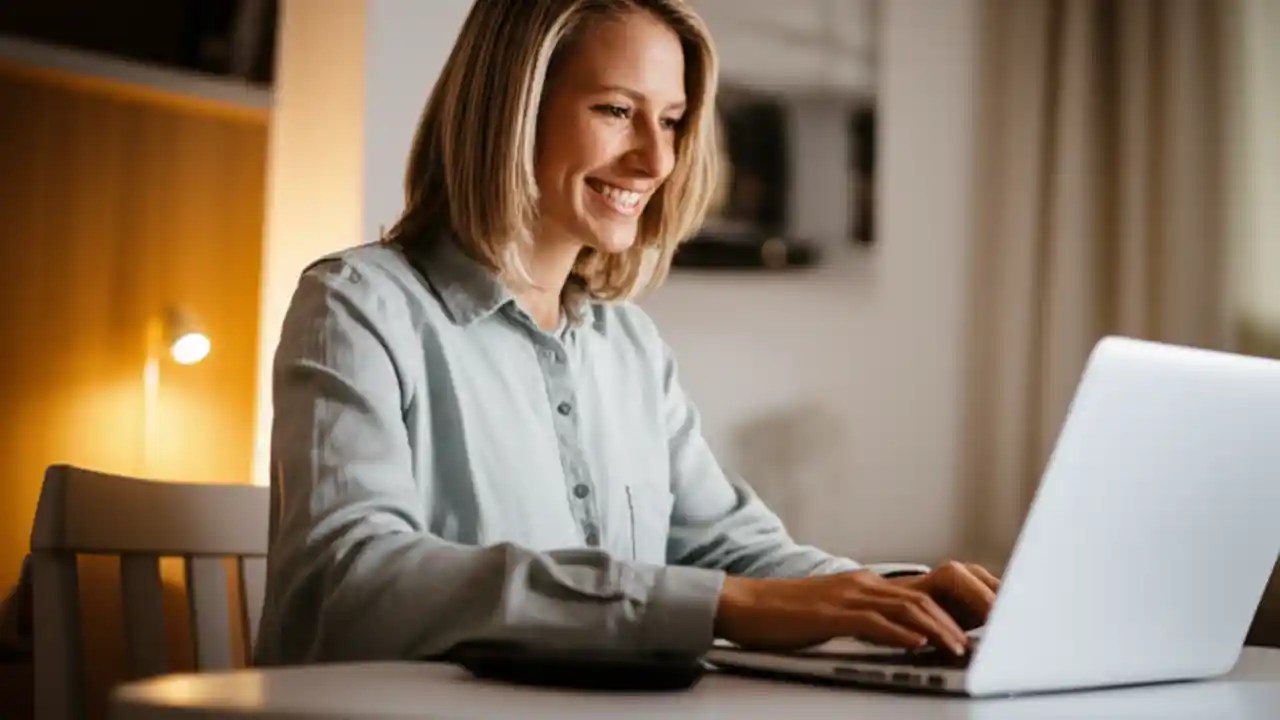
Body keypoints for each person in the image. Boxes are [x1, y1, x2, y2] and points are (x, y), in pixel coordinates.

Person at [254, 0, 999, 666]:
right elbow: (351, 581)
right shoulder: (357, 306)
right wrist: (716, 604)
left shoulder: (628, 345)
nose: (656, 159)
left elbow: (729, 546)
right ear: (514, 108)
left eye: (671, 121)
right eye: (616, 111)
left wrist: (902, 593)